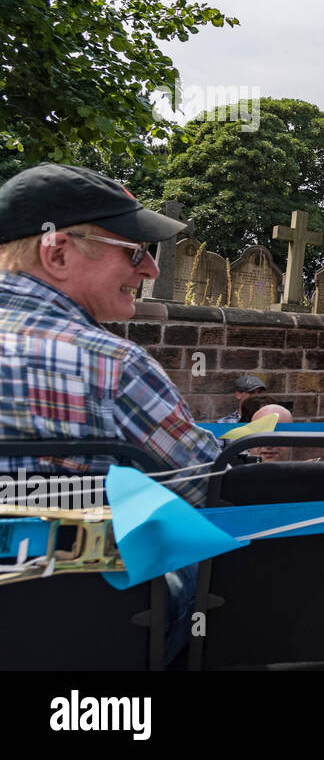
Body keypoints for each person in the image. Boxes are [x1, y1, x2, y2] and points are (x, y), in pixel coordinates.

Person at [0, 163, 223, 664]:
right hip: (79, 632)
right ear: (56, 252)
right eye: (135, 251)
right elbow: (210, 487)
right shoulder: (112, 366)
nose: (150, 270)